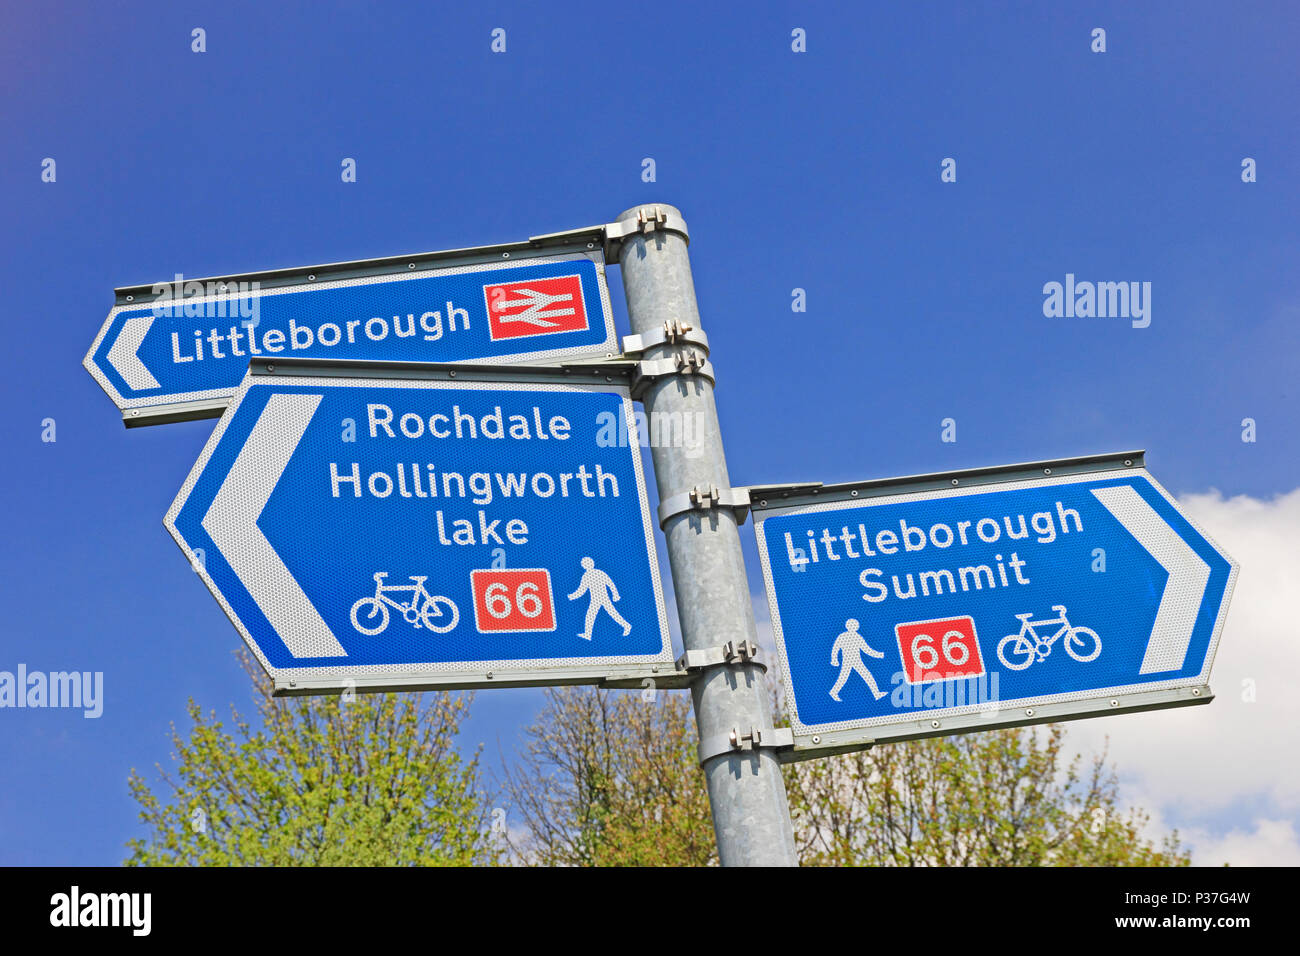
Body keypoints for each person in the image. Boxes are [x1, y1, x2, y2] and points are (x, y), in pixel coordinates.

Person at [567, 557, 631, 640]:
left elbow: (610, 583)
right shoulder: (587, 576)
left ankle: (627, 626)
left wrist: (616, 594)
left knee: (610, 613)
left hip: (601, 598)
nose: (583, 565)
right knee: (592, 615)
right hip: (596, 599)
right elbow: (582, 589)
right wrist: (572, 596)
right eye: (583, 564)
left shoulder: (597, 573)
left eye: (584, 564)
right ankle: (588, 634)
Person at [829, 618, 887, 702]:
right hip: (849, 661)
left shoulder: (857, 636)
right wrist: (834, 659)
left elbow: (866, 649)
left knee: (866, 675)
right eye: (854, 625)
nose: (856, 626)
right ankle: (833, 692)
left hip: (856, 661)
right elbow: (835, 648)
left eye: (856, 625)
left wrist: (878, 655)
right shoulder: (843, 636)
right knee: (844, 677)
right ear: (848, 626)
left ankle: (876, 693)